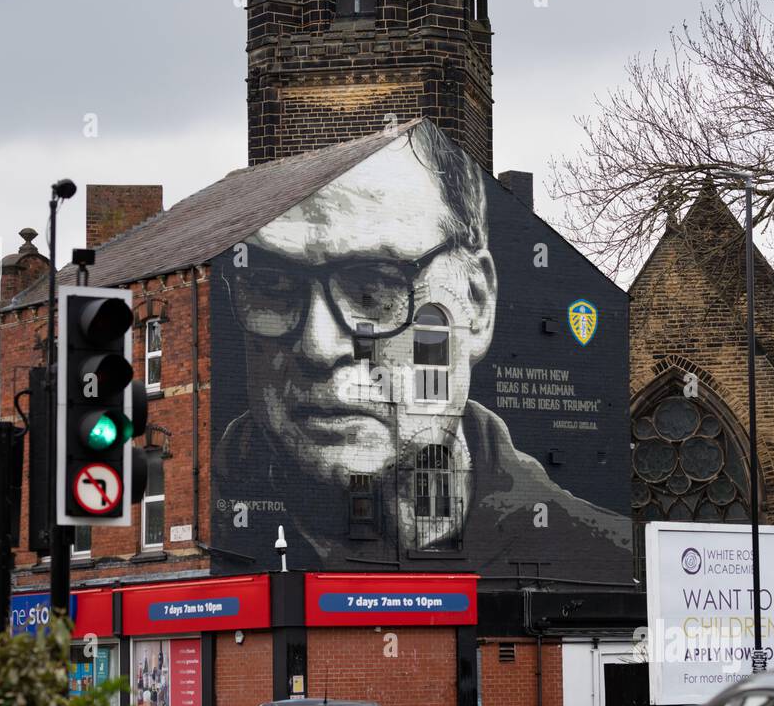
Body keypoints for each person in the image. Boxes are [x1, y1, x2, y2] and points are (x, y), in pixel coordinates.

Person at [214, 121, 633, 575]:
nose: (318, 345)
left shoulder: (600, 555)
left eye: (374, 286)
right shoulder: (213, 536)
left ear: (476, 301)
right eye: (271, 285)